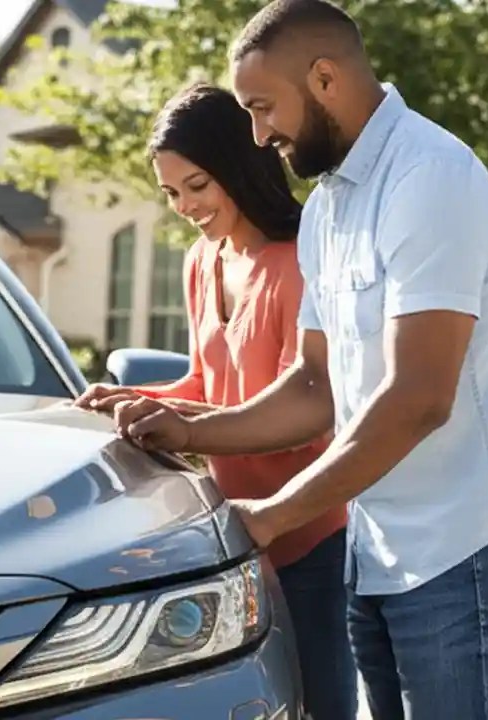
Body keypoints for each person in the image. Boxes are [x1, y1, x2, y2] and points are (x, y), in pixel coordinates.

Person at [108, 1, 488, 719]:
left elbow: (419, 397)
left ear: (324, 78)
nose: (258, 136)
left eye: (263, 108)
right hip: (379, 547)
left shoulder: (430, 179)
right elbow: (315, 387)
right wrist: (188, 429)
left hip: (469, 543)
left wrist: (274, 514)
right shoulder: (327, 207)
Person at [75, 82, 358, 720]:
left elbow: (305, 418)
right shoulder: (203, 261)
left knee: (324, 708)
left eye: (197, 186)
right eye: (172, 193)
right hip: (228, 541)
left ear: (239, 165)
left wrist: (182, 426)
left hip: (311, 541)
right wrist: (132, 399)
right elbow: (206, 387)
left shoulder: (301, 265)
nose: (185, 207)